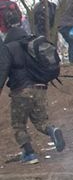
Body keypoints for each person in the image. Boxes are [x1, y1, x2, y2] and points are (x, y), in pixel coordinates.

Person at [0, 9, 66, 165]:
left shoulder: (9, 47)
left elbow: (3, 69)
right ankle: (52, 130)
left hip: (21, 90)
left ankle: (29, 154)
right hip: (40, 88)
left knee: (18, 124)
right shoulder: (30, 41)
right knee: (40, 121)